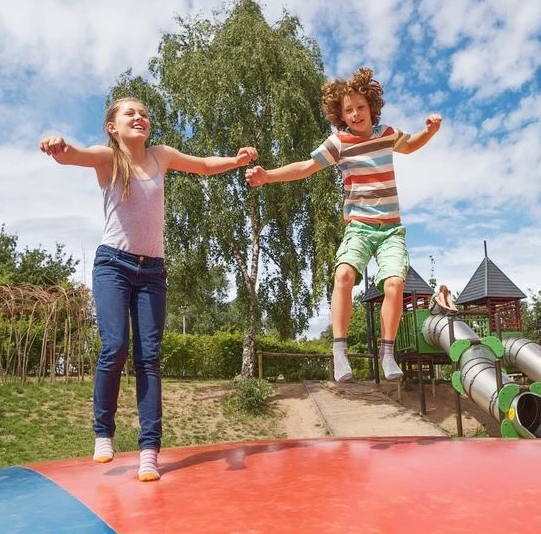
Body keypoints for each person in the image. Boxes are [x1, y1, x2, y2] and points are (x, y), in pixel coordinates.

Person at [39, 97, 257, 481]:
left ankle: (148, 450)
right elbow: (73, 155)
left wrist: (236, 161)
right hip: (113, 265)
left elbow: (204, 166)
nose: (139, 118)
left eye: (144, 114)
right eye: (130, 114)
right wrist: (58, 146)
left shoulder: (161, 155)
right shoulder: (107, 158)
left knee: (149, 358)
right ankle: (103, 432)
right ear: (112, 126)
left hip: (152, 272)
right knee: (115, 346)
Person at [245, 67, 441, 383]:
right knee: (344, 274)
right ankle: (339, 351)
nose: (355, 114)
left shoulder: (387, 133)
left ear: (371, 107)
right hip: (360, 226)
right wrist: (267, 176)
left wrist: (429, 131)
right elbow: (306, 168)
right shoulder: (339, 142)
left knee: (394, 284)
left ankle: (387, 353)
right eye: (348, 110)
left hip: (391, 228)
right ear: (340, 114)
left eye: (360, 107)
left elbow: (410, 145)